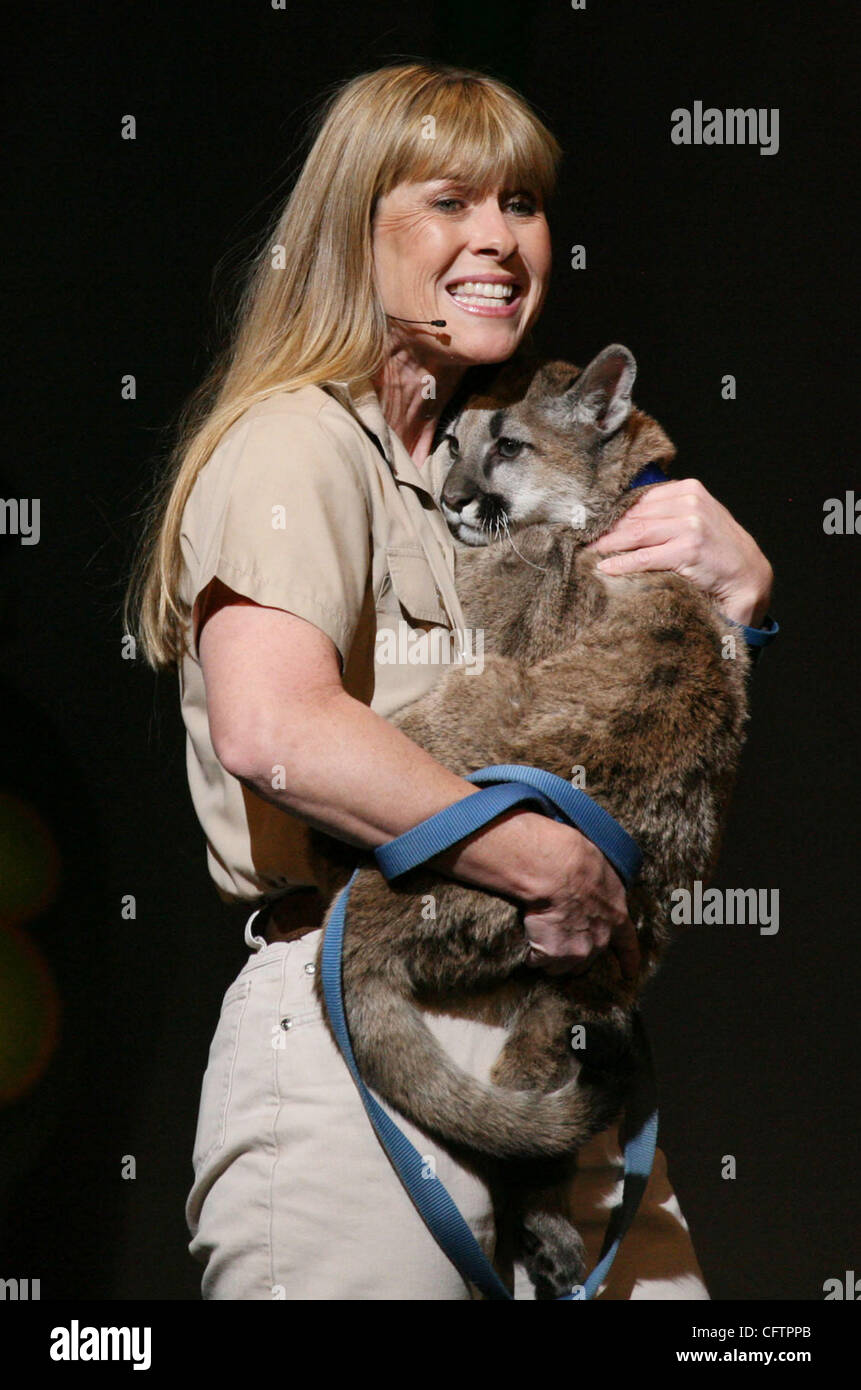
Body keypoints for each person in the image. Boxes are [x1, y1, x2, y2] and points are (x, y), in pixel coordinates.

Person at [125, 62, 775, 1300]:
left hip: (557, 1034)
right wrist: (544, 860)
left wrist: (745, 589)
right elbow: (278, 731)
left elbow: (634, 709)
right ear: (349, 229)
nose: (498, 239)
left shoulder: (509, 458)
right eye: (450, 202)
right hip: (361, 1023)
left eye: (523, 204)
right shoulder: (294, 442)